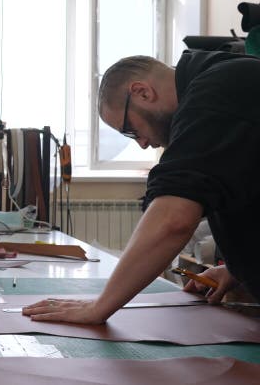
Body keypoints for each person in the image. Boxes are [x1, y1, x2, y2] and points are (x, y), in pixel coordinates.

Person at [22, 50, 260, 324]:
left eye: (130, 131)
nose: (143, 144)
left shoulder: (218, 90)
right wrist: (236, 269)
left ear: (142, 92)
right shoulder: (224, 88)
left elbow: (174, 220)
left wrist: (99, 307)